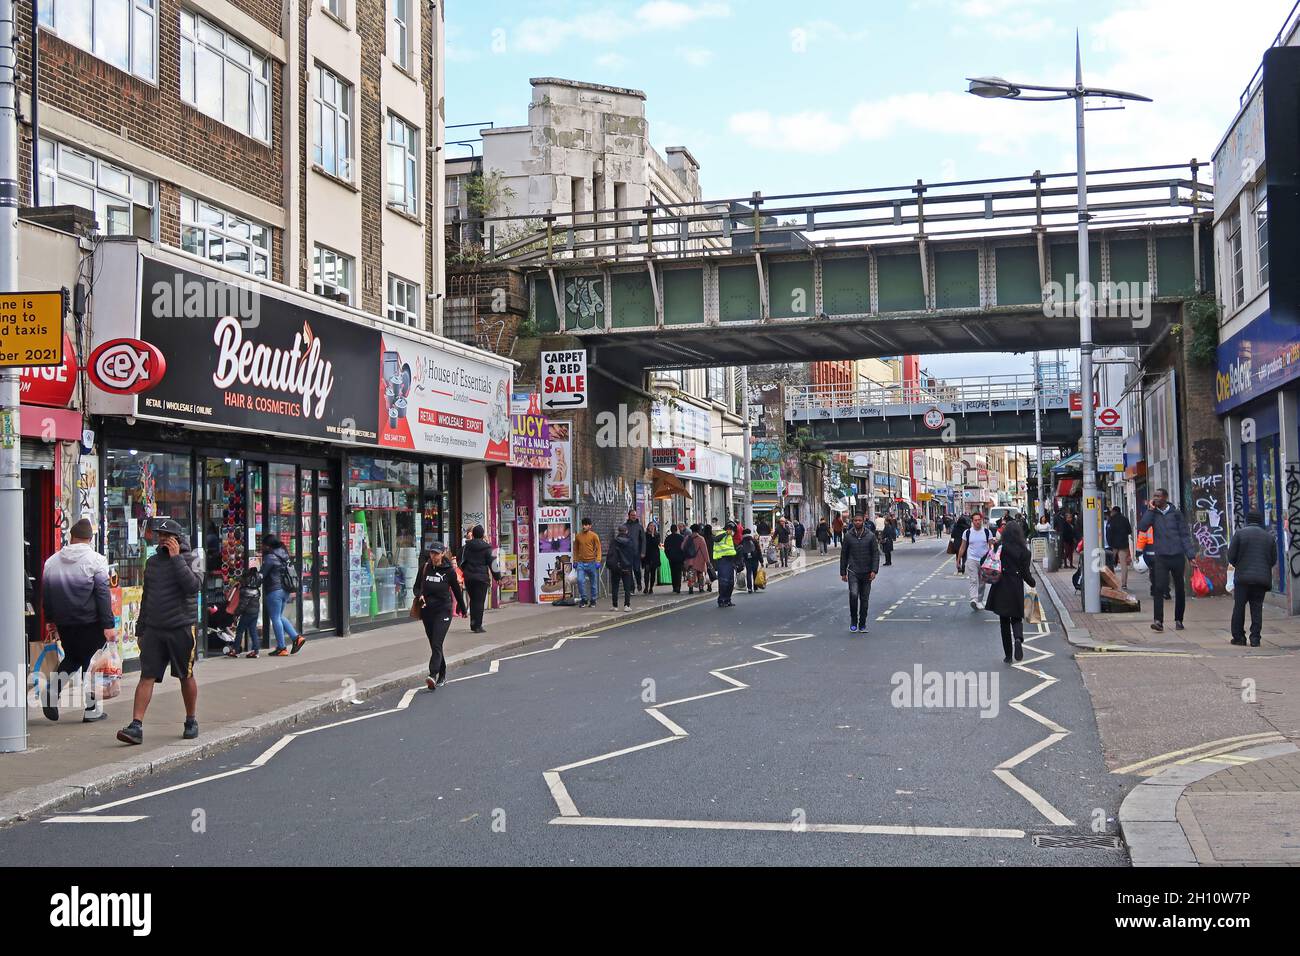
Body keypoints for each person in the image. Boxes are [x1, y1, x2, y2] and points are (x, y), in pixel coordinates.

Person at [117, 518, 204, 745]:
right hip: (155, 628)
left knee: (186, 675)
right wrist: (141, 627)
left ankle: (191, 720)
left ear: (178, 538)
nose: (163, 540)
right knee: (146, 676)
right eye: (160, 536)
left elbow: (193, 586)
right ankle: (136, 726)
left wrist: (177, 559)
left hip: (182, 627)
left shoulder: (193, 558)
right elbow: (147, 596)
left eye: (167, 536)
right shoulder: (153, 562)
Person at [39, 518, 116, 723]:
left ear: (71, 537)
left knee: (73, 659)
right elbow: (102, 594)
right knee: (91, 665)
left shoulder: (51, 562)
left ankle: (50, 693)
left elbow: (46, 594)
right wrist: (108, 625)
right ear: (90, 539)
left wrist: (51, 620)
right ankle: (91, 710)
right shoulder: (96, 560)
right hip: (91, 623)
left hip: (66, 623)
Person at [1137, 488, 1198, 632]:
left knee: (1179, 588)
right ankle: (1158, 621)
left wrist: (1191, 556)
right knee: (1159, 588)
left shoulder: (1175, 513)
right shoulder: (1153, 514)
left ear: (1165, 497)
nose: (1156, 498)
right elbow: (1142, 527)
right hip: (1161, 557)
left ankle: (1179, 619)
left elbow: (1184, 535)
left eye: (1158, 496)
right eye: (1154, 496)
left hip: (1177, 555)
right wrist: (1150, 510)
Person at [984, 520, 1036, 663]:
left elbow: (985, 560)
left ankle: (1008, 655)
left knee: (1004, 621)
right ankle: (1018, 639)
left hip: (1001, 585)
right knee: (1016, 618)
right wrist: (1032, 582)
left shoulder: (1000, 547)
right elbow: (1026, 573)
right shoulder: (1025, 552)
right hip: (1016, 586)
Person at [416, 542, 464, 690]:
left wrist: (463, 608)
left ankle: (433, 674)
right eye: (432, 553)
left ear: (443, 553)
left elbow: (456, 590)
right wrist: (420, 595)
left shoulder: (449, 571)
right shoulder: (425, 568)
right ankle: (442, 673)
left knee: (437, 643)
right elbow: (417, 587)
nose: (434, 556)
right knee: (434, 644)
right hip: (427, 611)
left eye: (436, 553)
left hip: (443, 610)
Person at [1226, 510, 1277, 647]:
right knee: (1257, 608)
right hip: (1261, 579)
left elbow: (1231, 556)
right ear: (1260, 521)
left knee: (1239, 607)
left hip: (1243, 579)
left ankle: (1239, 637)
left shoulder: (1240, 534)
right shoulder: (1269, 537)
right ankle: (1255, 638)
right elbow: (1273, 560)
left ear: (1247, 521)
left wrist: (1240, 565)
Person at [260, 534, 303, 656]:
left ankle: (282, 647)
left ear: (268, 545)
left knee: (275, 618)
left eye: (263, 545)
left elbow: (263, 573)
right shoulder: (284, 553)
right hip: (285, 590)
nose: (262, 547)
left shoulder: (270, 557)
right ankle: (296, 638)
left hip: (274, 590)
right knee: (279, 616)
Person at [840, 512, 880, 634]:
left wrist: (874, 570)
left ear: (863, 521)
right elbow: (844, 555)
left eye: (859, 520)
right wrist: (843, 572)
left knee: (864, 599)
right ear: (853, 521)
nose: (857, 522)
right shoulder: (848, 536)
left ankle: (862, 623)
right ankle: (853, 621)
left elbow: (875, 554)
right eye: (855, 520)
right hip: (853, 571)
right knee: (853, 595)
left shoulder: (871, 536)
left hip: (867, 572)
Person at [458, 525, 494, 633]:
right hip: (482, 578)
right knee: (479, 602)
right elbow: (492, 563)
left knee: (473, 600)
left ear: (473, 534)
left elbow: (461, 560)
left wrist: (466, 570)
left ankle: (473, 623)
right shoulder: (487, 547)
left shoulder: (467, 547)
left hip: (469, 578)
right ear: (483, 535)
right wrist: (498, 577)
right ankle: (477, 625)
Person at [957, 512, 995, 610]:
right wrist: (958, 560)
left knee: (982, 582)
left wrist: (993, 559)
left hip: (984, 560)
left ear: (981, 520)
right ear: (972, 521)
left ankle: (979, 600)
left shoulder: (987, 532)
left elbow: (991, 546)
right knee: (973, 580)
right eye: (975, 520)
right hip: (971, 559)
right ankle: (973, 599)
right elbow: (962, 547)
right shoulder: (967, 533)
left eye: (979, 520)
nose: (978, 522)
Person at [607, 523, 639, 611]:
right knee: (627, 587)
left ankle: (615, 605)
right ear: (626, 531)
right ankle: (627, 605)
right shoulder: (630, 541)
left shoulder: (614, 541)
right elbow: (634, 553)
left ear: (618, 531)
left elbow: (610, 554)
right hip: (627, 566)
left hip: (616, 566)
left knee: (615, 586)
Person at [233, 566, 262, 658]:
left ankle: (236, 650)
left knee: (240, 630)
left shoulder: (245, 590)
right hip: (254, 612)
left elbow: (242, 605)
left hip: (247, 613)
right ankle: (255, 650)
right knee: (253, 630)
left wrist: (236, 613)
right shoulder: (256, 590)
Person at [573, 517, 602, 608]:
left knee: (593, 582)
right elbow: (575, 549)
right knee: (580, 580)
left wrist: (598, 560)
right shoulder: (578, 536)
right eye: (583, 525)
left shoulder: (594, 536)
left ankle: (593, 599)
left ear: (590, 526)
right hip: (581, 563)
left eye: (586, 525)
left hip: (592, 562)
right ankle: (584, 599)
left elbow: (598, 549)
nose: (584, 526)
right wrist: (575, 560)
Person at [1105, 505, 1135, 590]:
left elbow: (1108, 533)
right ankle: (1124, 584)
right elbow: (1129, 531)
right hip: (1123, 545)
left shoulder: (1111, 520)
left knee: (1110, 564)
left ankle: (1111, 582)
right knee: (1123, 565)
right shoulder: (1125, 519)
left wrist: (1110, 543)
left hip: (1113, 546)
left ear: (1114, 511)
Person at [712, 521, 739, 608]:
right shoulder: (721, 534)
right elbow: (716, 539)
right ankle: (722, 600)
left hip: (730, 560)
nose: (733, 533)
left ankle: (728, 599)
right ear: (729, 528)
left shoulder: (729, 536)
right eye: (733, 530)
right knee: (724, 581)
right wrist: (726, 533)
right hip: (722, 560)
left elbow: (731, 548)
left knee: (730, 582)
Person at [624, 509, 646, 591]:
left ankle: (639, 583)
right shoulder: (625, 526)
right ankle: (631, 588)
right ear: (629, 516)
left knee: (637, 569)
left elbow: (643, 540)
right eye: (632, 515)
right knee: (629, 571)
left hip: (636, 552)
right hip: (627, 553)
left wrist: (643, 552)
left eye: (635, 515)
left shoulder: (639, 526)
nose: (634, 516)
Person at [684, 523, 709, 594]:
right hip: (700, 560)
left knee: (691, 574)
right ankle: (701, 588)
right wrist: (707, 561)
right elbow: (705, 551)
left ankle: (691, 588)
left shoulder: (687, 538)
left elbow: (682, 547)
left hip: (690, 559)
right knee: (700, 574)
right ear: (698, 530)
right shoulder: (701, 539)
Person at [663, 523, 686, 594]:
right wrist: (683, 557)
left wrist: (668, 556)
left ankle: (674, 586)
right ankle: (678, 587)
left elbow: (665, 549)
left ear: (671, 530)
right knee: (678, 573)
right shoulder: (681, 538)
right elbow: (684, 548)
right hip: (679, 558)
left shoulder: (668, 538)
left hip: (671, 558)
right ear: (677, 530)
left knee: (673, 573)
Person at [739, 526, 762, 592]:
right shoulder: (754, 540)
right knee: (755, 572)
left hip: (747, 559)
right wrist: (761, 561)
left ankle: (749, 588)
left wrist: (740, 561)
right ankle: (755, 587)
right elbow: (759, 550)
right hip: (755, 558)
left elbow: (740, 551)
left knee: (748, 572)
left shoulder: (742, 542)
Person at [642, 521, 662, 595]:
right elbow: (644, 544)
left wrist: (653, 535)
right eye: (650, 526)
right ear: (648, 527)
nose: (652, 527)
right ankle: (646, 587)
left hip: (654, 556)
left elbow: (656, 543)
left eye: (653, 526)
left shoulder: (657, 535)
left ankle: (651, 588)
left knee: (653, 573)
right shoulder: (645, 535)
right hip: (647, 556)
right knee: (646, 572)